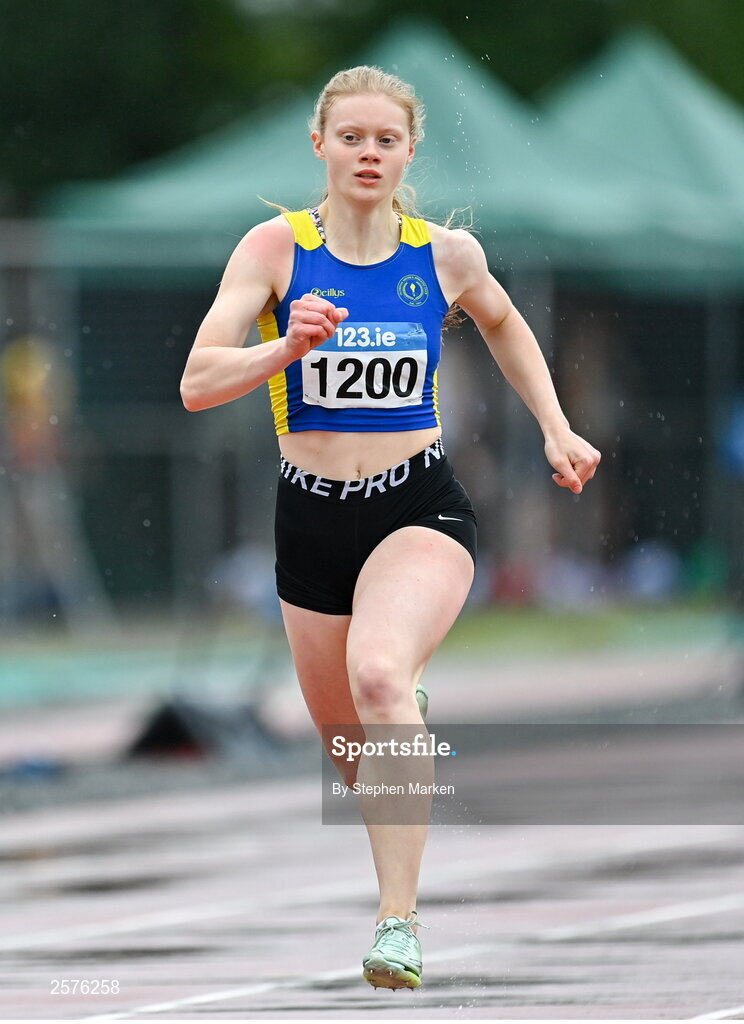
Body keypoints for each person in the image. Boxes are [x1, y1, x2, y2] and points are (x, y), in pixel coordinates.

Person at [180, 65, 601, 990]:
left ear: (409, 152)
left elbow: (505, 325)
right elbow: (198, 381)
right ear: (320, 145)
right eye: (351, 137)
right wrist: (284, 346)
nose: (368, 153)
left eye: (386, 140)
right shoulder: (275, 251)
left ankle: (398, 923)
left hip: (419, 507)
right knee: (354, 753)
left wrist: (556, 426)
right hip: (311, 520)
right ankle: (399, 726)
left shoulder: (445, 255)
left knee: (379, 674)